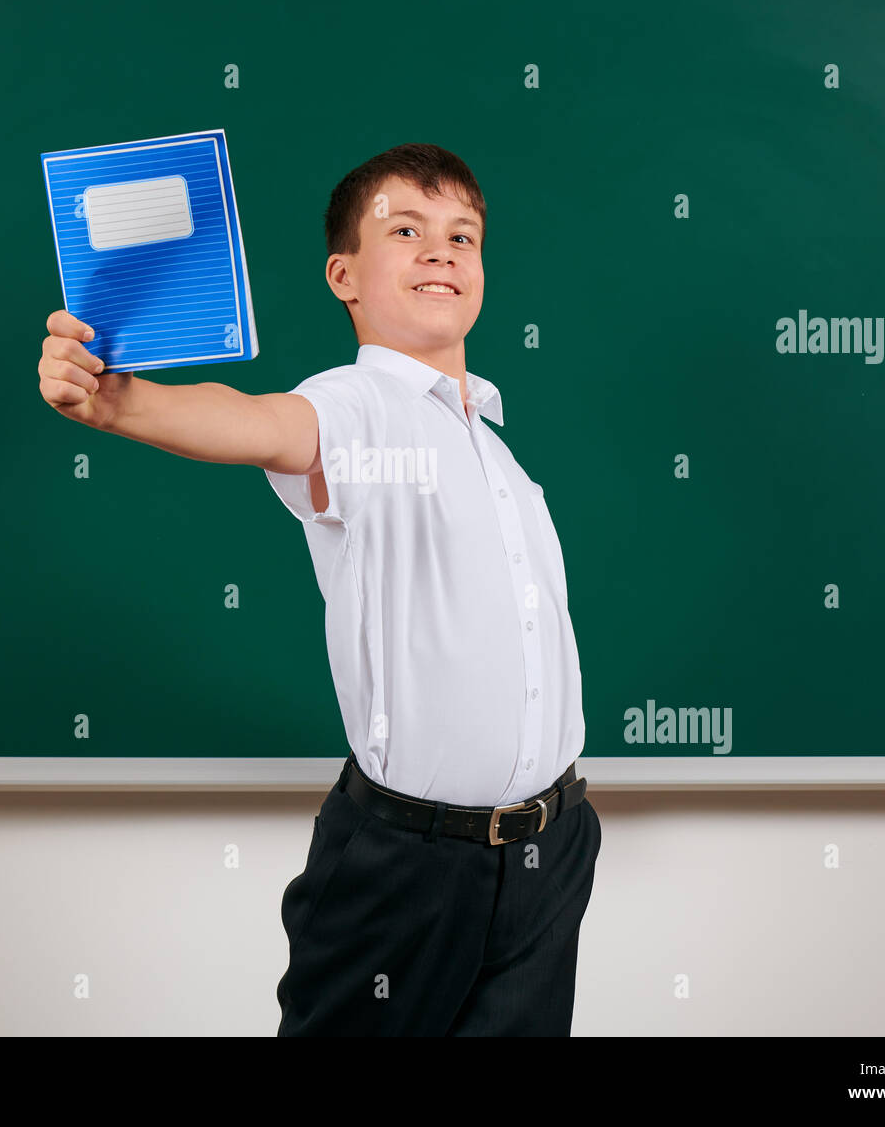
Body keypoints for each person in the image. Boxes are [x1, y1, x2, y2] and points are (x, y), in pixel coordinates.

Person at [38, 142, 601, 1036]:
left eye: (463, 236)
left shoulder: (496, 450)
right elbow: (260, 422)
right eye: (406, 229)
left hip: (550, 851)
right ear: (344, 274)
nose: (441, 251)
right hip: (409, 865)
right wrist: (121, 404)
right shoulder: (354, 408)